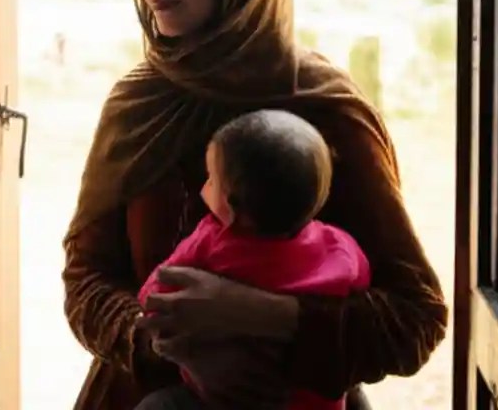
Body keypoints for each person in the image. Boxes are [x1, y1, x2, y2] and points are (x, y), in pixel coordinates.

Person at [62, 0, 447, 409]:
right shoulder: (137, 106)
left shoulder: (321, 107)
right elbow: (87, 280)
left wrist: (260, 315)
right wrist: (172, 346)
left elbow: (414, 317)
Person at [134, 109, 370, 410]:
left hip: (224, 398)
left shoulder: (211, 242)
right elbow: (361, 289)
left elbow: (155, 298)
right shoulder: (339, 247)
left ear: (231, 207)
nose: (203, 186)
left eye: (211, 179)